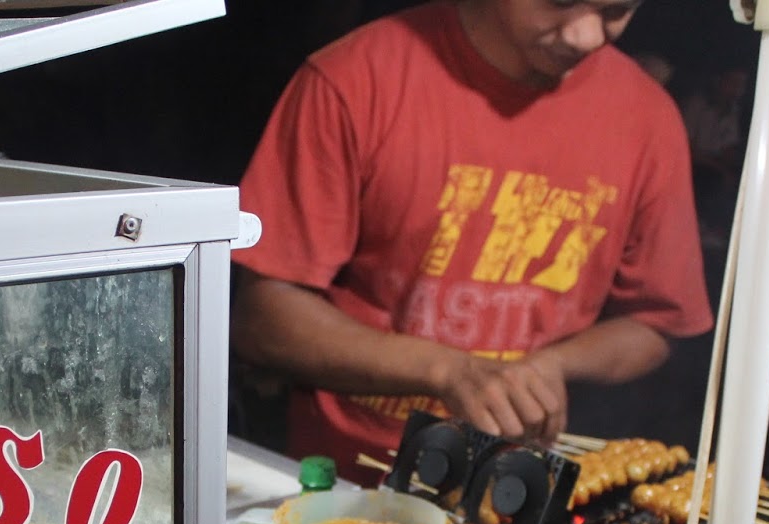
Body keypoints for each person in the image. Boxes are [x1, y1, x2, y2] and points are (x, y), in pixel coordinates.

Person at [229, 0, 714, 485]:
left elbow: (656, 323)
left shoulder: (646, 116)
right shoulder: (355, 79)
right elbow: (264, 315)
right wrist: (448, 371)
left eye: (617, 10)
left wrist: (549, 367)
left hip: (522, 485)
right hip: (347, 479)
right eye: (560, 3)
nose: (586, 35)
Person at [681, 65, 749, 248]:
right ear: (720, 81)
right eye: (733, 83)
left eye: (741, 85)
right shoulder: (697, 105)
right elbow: (687, 147)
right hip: (690, 164)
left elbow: (729, 147)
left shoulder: (732, 111)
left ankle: (719, 233)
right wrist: (720, 167)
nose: (737, 90)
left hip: (712, 166)